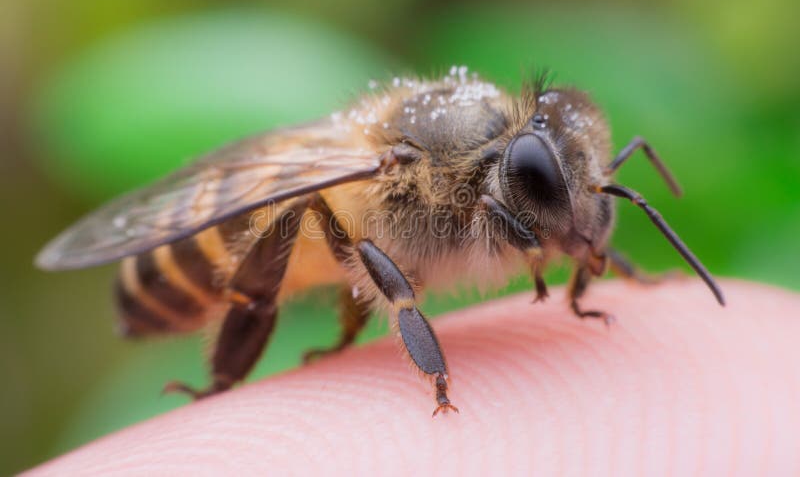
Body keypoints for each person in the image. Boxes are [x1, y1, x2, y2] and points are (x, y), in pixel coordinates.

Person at [28, 279, 800, 475]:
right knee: (311, 216)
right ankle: (225, 383)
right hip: (219, 246)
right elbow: (366, 245)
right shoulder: (434, 174)